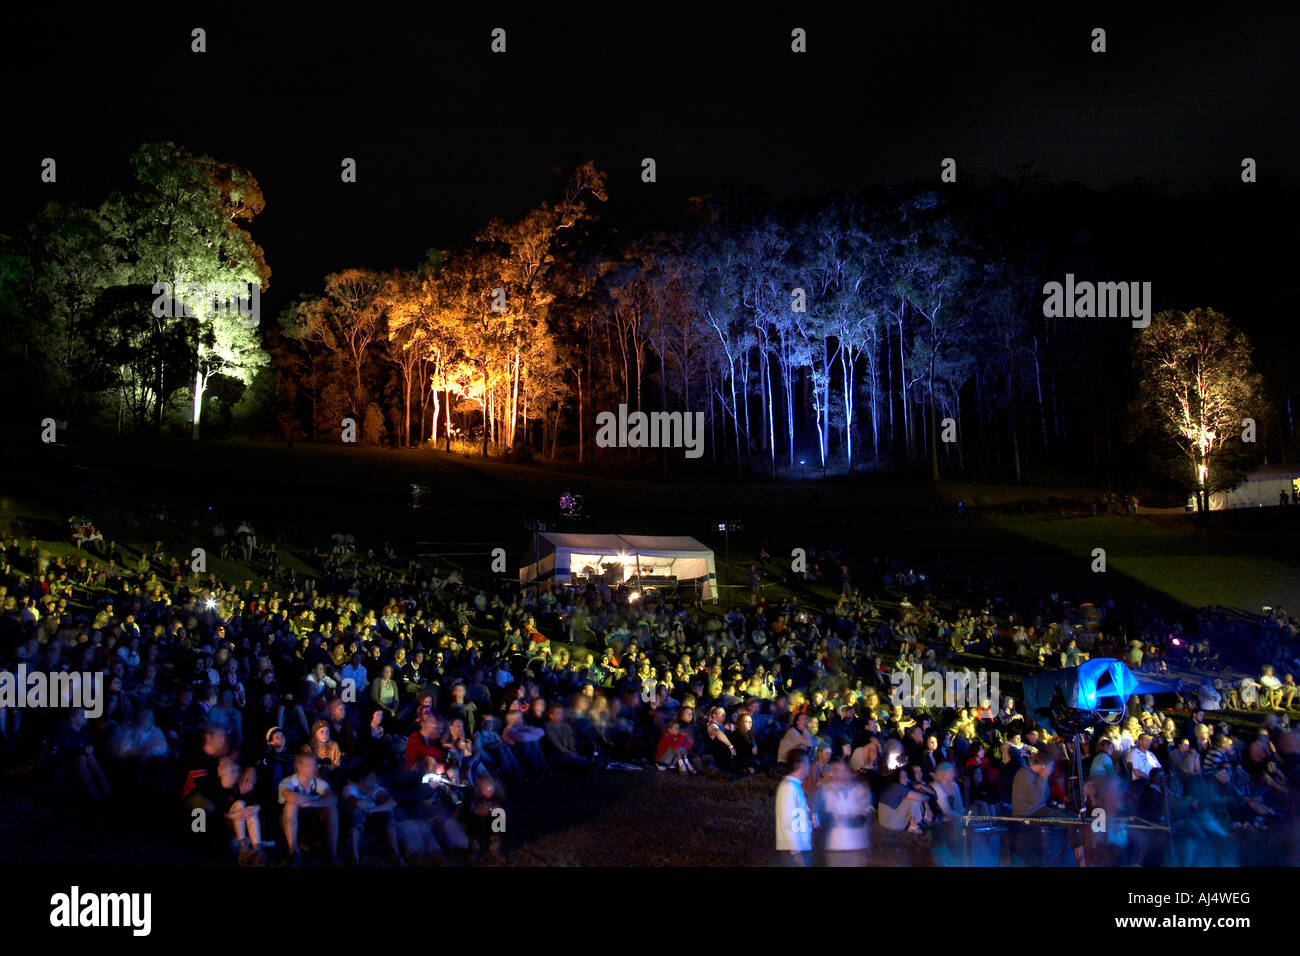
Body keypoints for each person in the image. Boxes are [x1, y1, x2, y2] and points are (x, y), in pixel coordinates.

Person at [277, 749, 341, 866]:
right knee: (291, 806)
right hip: (291, 825)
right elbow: (292, 798)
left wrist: (313, 803)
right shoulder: (287, 782)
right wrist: (317, 799)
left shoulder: (318, 783)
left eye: (314, 765)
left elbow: (333, 799)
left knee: (332, 809)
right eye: (309, 765)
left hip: (311, 823)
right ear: (298, 766)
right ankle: (294, 852)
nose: (313, 768)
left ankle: (333, 854)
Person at [813, 759, 871, 865]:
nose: (837, 774)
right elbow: (816, 818)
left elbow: (863, 819)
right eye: (834, 770)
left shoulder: (859, 791)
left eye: (841, 770)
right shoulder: (824, 792)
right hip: (834, 847)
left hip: (856, 847)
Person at [774, 748, 813, 866]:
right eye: (808, 763)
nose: (809, 766)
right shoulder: (789, 788)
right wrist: (796, 852)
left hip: (798, 848)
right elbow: (789, 820)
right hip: (793, 850)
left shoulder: (795, 787)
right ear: (800, 765)